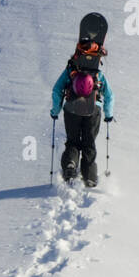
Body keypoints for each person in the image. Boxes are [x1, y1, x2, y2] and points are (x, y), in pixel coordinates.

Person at [51, 15, 116, 186]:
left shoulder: (71, 69)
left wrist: (55, 111)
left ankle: (70, 166)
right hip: (93, 110)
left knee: (72, 141)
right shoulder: (98, 74)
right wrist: (108, 115)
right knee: (89, 143)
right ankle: (90, 176)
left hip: (71, 109)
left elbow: (57, 90)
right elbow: (109, 95)